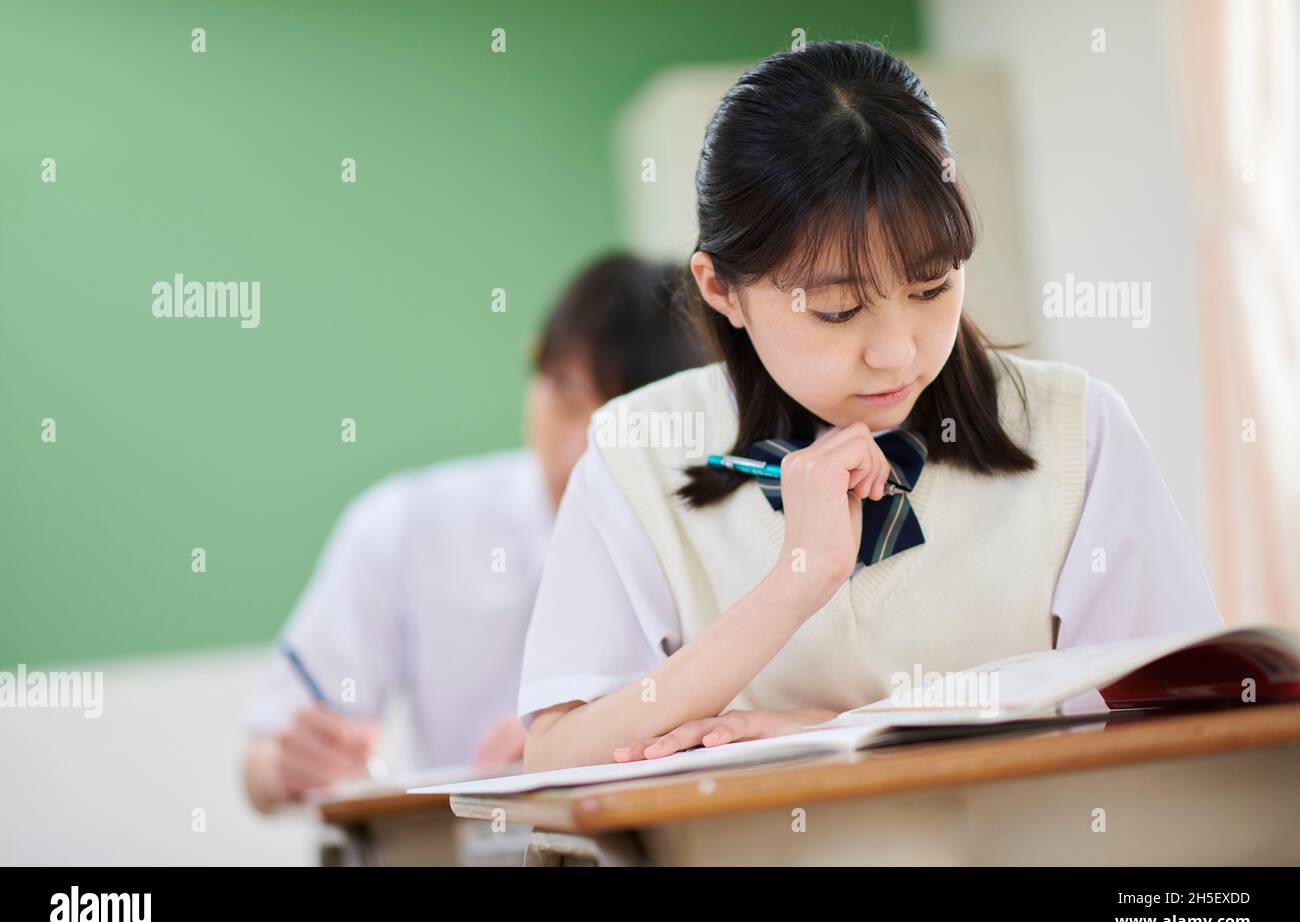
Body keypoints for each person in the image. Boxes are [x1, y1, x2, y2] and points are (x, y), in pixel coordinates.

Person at [517, 41, 1223, 772]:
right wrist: (795, 582)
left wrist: (851, 733)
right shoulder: (638, 449)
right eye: (837, 309)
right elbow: (558, 757)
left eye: (931, 288)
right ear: (721, 289)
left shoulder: (1078, 429)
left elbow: (1181, 735)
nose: (896, 351)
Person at [240, 253, 710, 812]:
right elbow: (260, 770)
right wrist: (285, 762)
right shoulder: (407, 525)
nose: (580, 450)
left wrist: (579, 747)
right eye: (563, 397)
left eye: (616, 420)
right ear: (534, 368)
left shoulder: (717, 534)